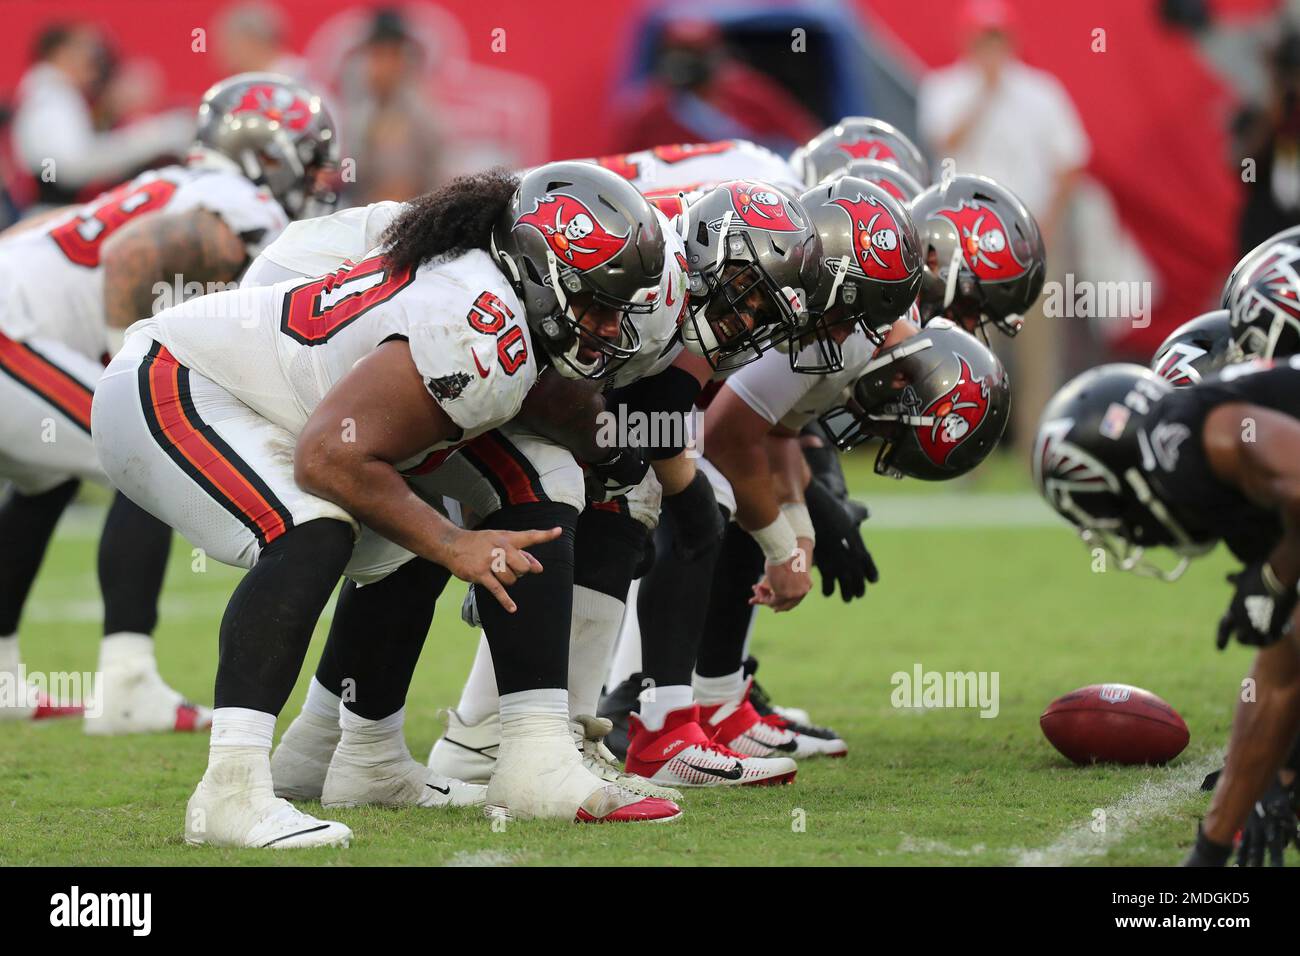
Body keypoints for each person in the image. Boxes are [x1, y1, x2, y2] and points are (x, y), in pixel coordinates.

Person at [0, 72, 333, 733]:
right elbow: (132, 253)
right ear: (269, 152)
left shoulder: (176, 182)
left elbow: (40, 230)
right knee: (146, 443)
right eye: (309, 157)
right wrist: (121, 361)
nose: (319, 177)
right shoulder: (240, 202)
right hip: (12, 334)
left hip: (17, 323)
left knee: (47, 474)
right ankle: (127, 682)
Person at [1033, 360, 1300, 866]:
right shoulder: (1239, 491)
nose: (1129, 536)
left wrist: (1274, 578)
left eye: (1110, 514)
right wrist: (1211, 850)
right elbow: (1281, 672)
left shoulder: (1182, 440)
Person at [917, 0, 1088, 451]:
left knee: (1037, 349)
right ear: (968, 43)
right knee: (966, 342)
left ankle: (1037, 442)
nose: (990, 51)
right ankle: (965, 442)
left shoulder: (1041, 92)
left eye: (997, 41)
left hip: (1025, 235)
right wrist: (985, 94)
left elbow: (1070, 162)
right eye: (982, 41)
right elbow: (945, 139)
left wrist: (1046, 225)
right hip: (963, 242)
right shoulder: (945, 88)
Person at [12, 24, 193, 210]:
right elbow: (73, 167)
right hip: (52, 214)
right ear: (60, 52)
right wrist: (155, 137)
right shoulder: (50, 97)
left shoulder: (55, 93)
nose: (95, 59)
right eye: (86, 49)